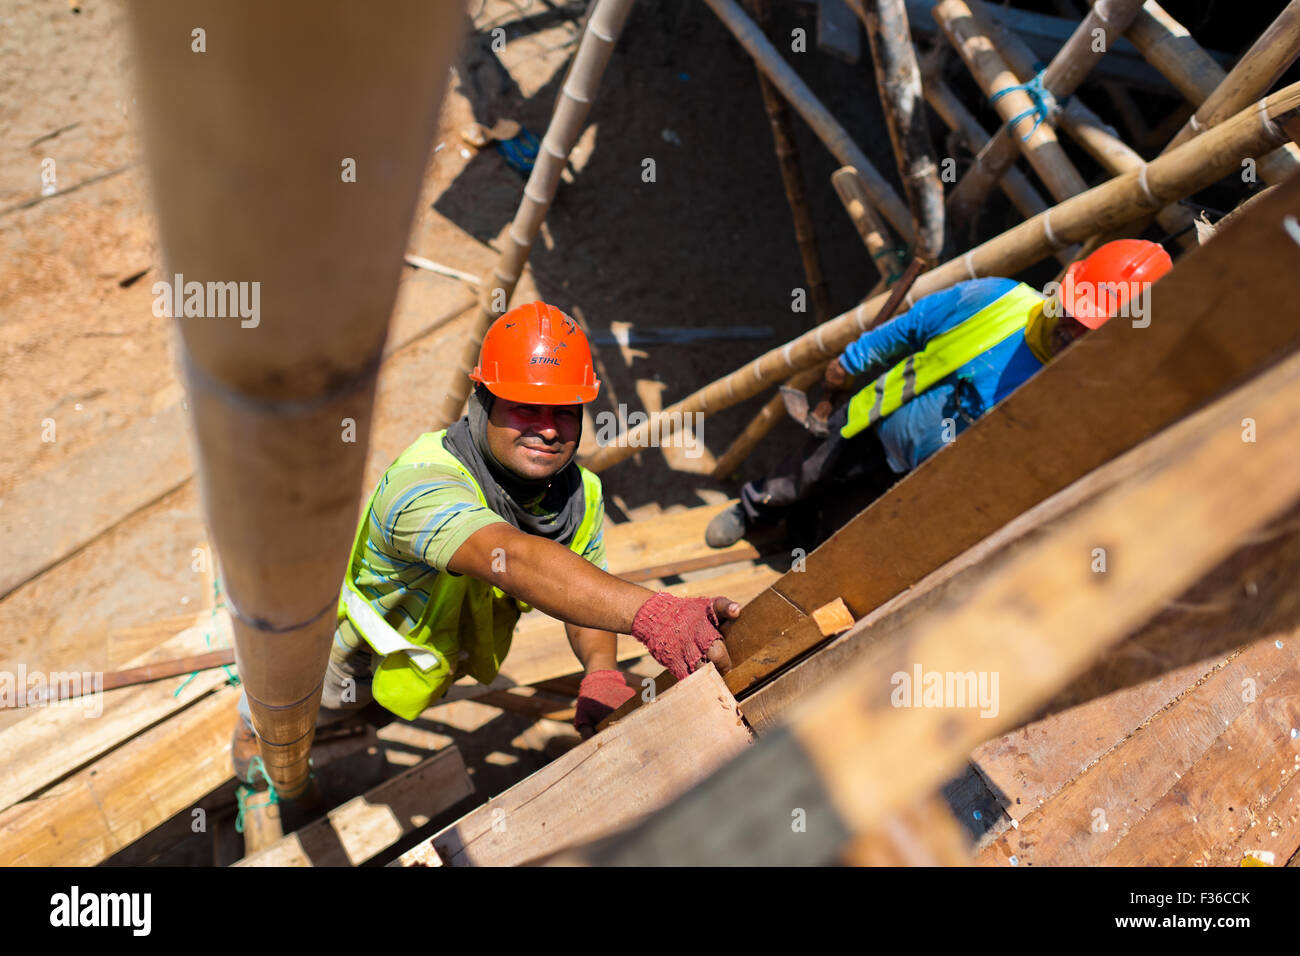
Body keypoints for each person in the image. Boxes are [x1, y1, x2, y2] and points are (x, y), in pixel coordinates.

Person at [233, 301, 739, 782]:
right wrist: (654, 615)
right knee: (307, 715)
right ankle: (255, 743)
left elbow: (584, 580)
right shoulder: (420, 486)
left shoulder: (578, 495)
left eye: (564, 411)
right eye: (526, 407)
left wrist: (602, 670)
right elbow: (512, 558)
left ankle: (359, 721)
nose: (547, 430)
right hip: (351, 652)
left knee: (390, 707)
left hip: (437, 659)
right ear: (483, 403)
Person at [706, 239, 1174, 548]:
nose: (1073, 333)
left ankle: (801, 537)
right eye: (1075, 314)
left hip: (924, 475)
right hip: (875, 418)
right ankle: (753, 510)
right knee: (806, 471)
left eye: (1091, 331)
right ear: (1067, 287)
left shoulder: (1079, 391)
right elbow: (911, 327)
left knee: (852, 525)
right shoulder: (997, 299)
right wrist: (851, 362)